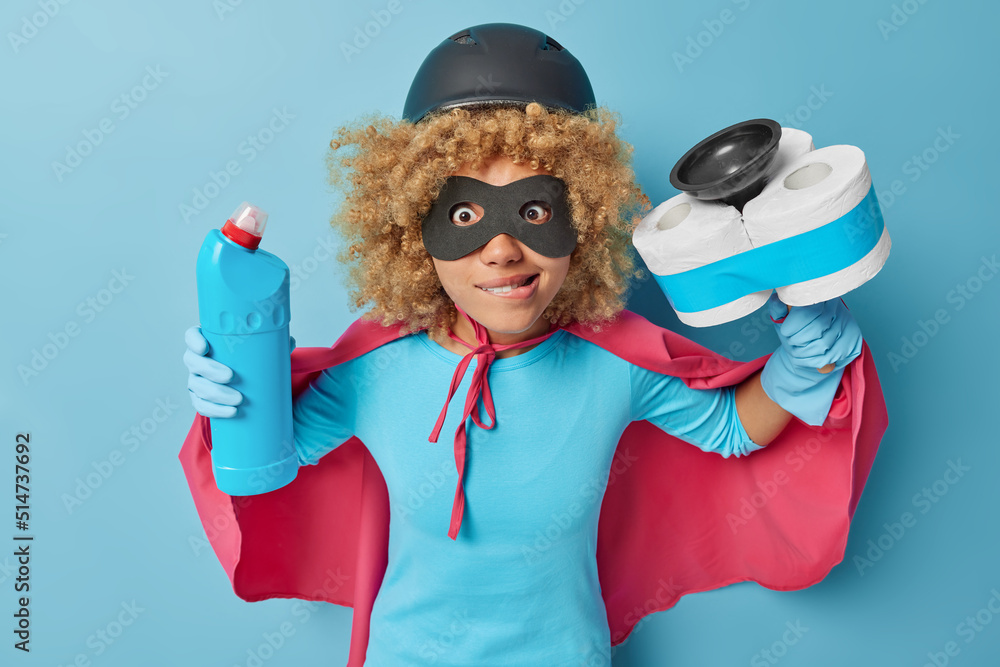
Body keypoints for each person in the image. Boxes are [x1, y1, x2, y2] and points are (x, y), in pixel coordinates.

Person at [180, 23, 885, 666]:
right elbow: (269, 459)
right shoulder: (375, 370)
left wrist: (803, 365)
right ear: (412, 232)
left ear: (584, 219)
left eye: (537, 211)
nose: (502, 249)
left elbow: (732, 429)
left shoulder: (616, 367)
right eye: (464, 214)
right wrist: (241, 388)